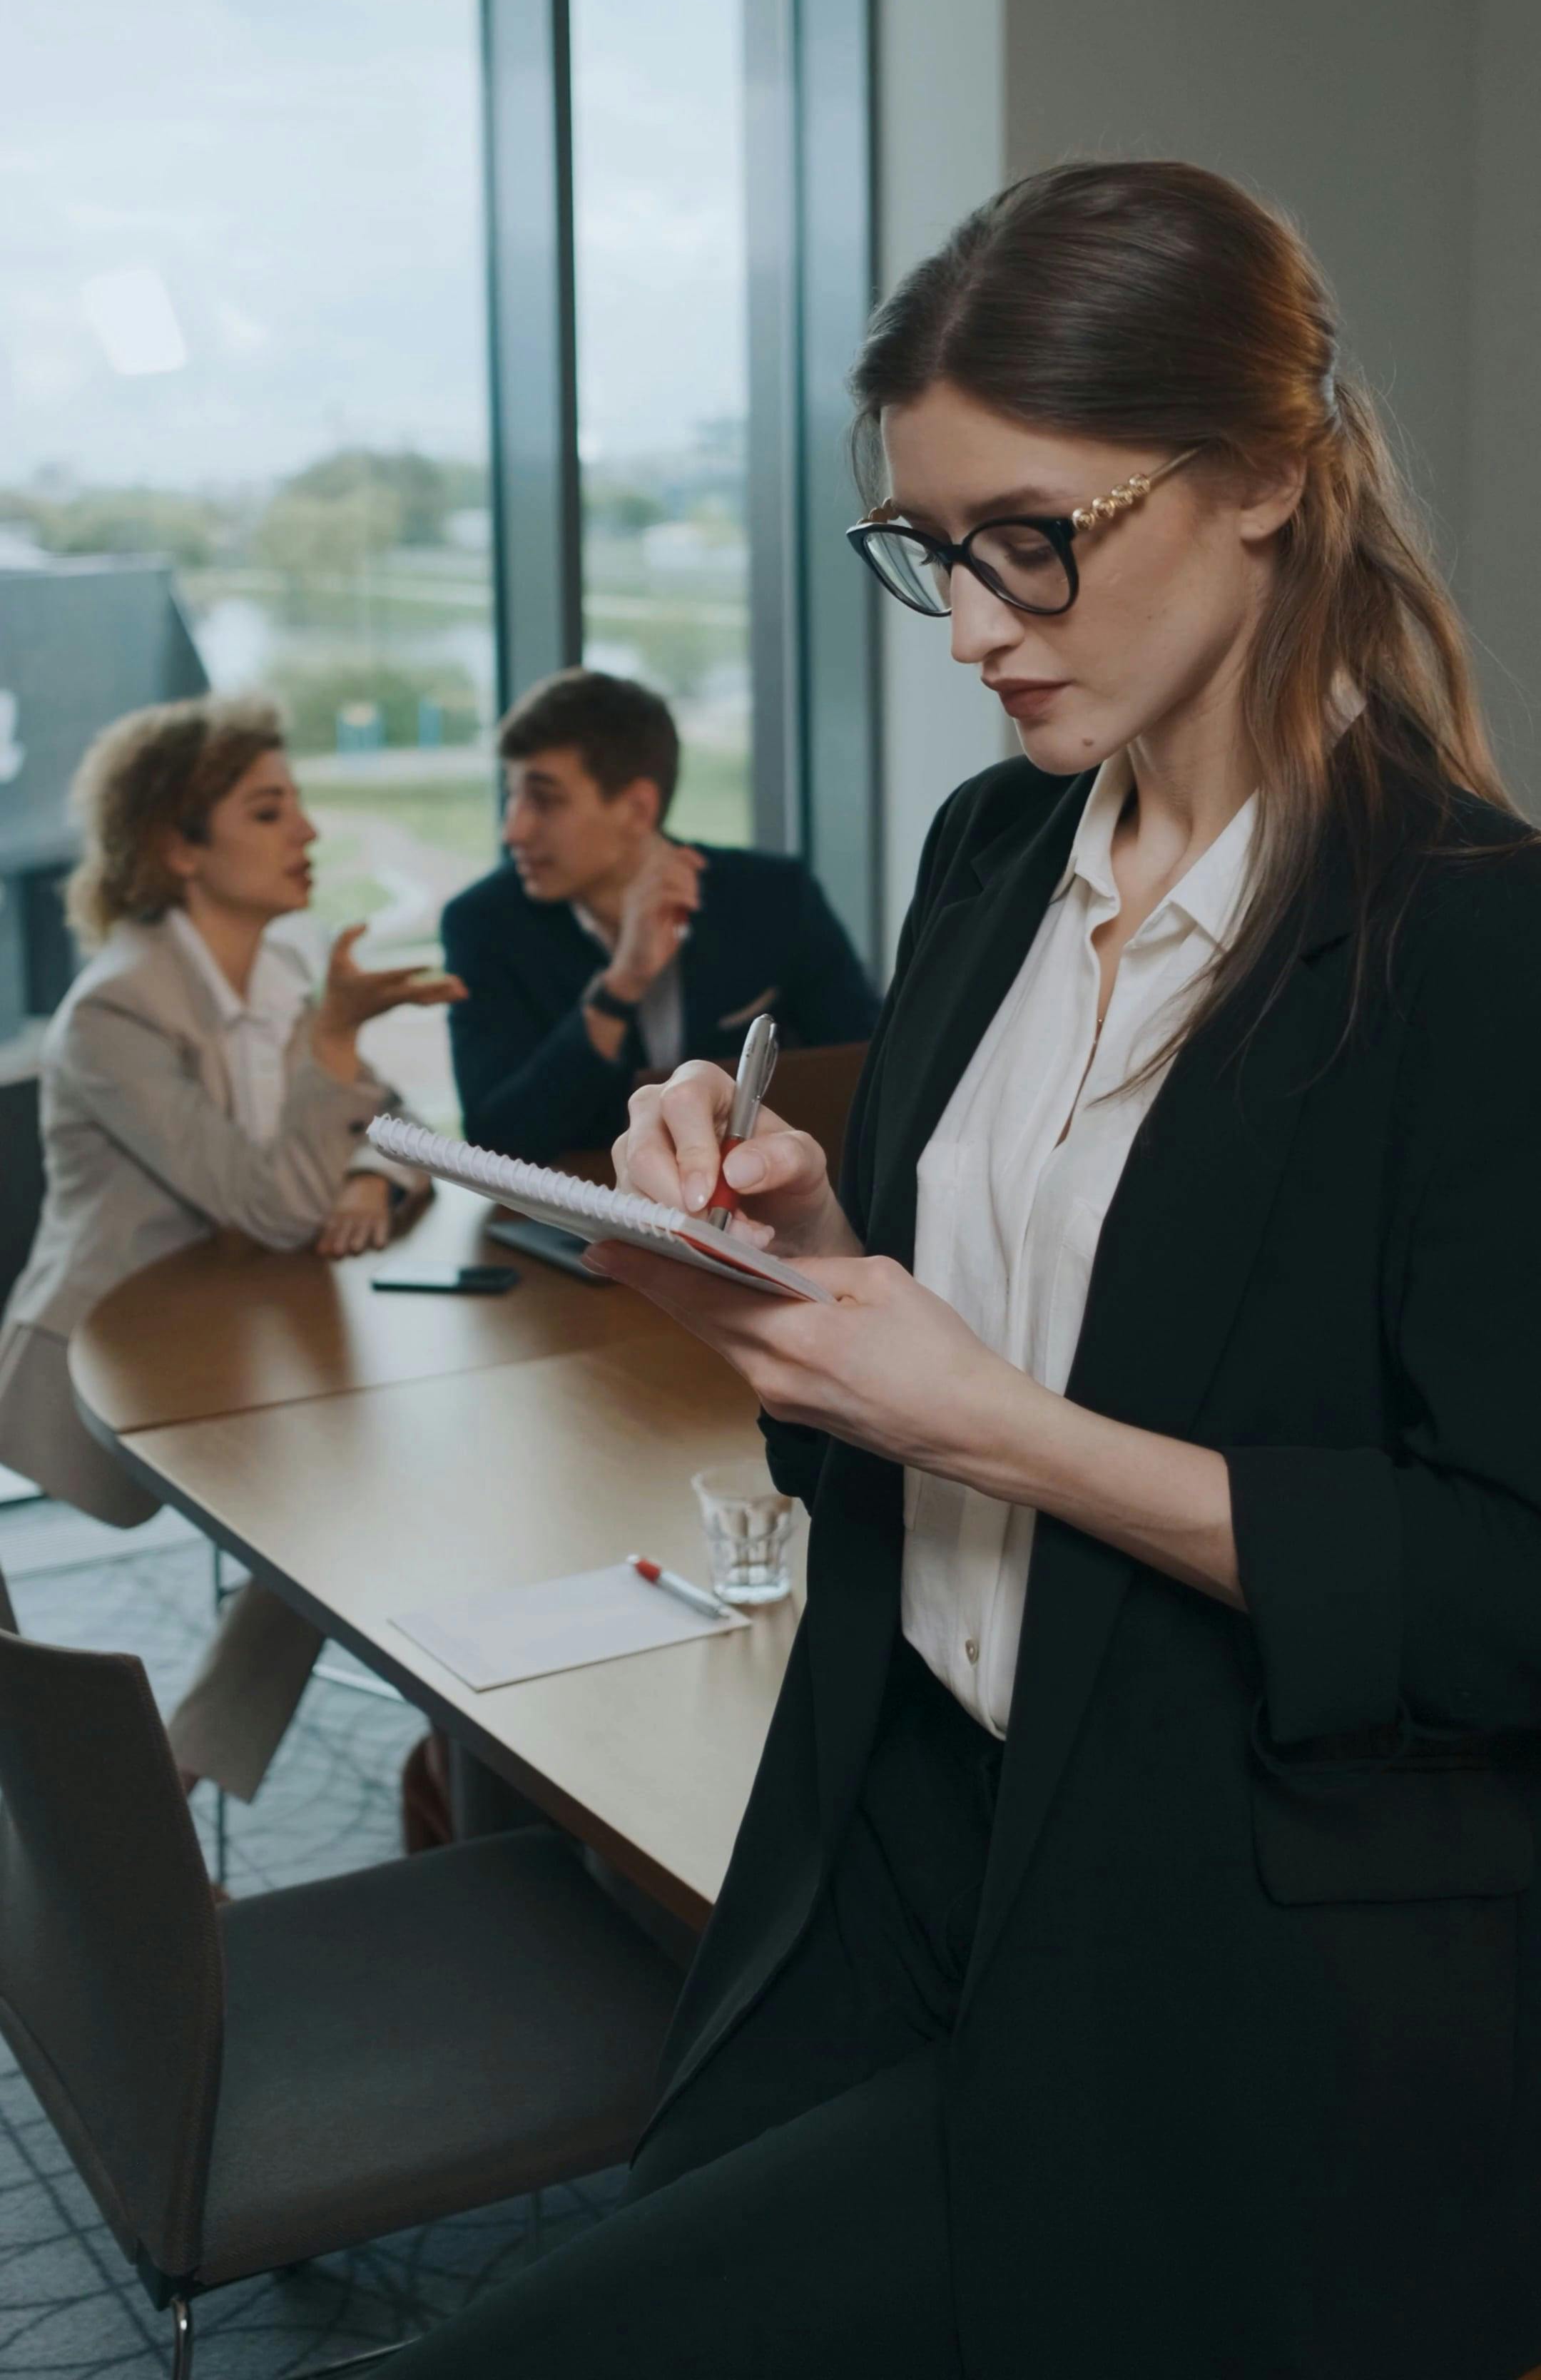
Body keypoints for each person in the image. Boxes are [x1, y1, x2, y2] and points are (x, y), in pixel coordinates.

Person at [386, 163, 1541, 2380]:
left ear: (1270, 481)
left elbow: (1500, 1586)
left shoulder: (1475, 948)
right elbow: (953, 1353)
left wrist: (989, 1421)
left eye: (1039, 534)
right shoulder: (995, 844)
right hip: (883, 1827)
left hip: (1214, 1954)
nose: (979, 621)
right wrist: (814, 1252)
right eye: (932, 548)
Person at [0, 696, 463, 1805]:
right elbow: (263, 1201)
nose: (306, 832)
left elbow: (407, 1128)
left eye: (298, 804)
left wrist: (367, 1169)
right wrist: (338, 1051)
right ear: (176, 846)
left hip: (245, 1344)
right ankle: (93, 1847)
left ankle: (175, 1781)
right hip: (92, 1365)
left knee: (349, 1499)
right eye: (268, 810)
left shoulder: (281, 972)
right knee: (332, 1501)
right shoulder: (117, 1012)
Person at [441, 669, 880, 1163]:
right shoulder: (484, 924)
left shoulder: (773, 897)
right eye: (512, 794)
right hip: (581, 1220)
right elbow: (494, 1142)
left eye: (543, 799)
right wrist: (620, 987)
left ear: (636, 808)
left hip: (758, 1202)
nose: (513, 830)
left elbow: (868, 1076)